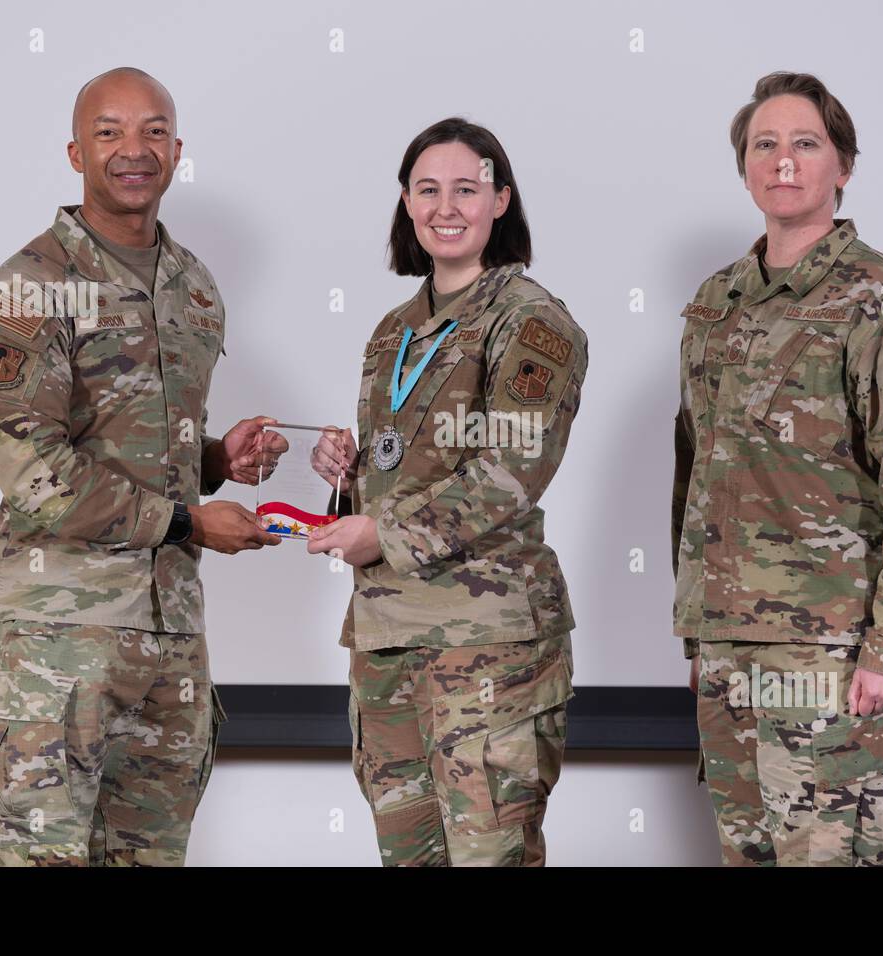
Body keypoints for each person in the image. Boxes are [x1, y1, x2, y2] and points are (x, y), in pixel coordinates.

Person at [0, 67, 285, 866]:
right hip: (53, 644)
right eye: (109, 132)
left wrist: (215, 461)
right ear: (77, 151)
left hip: (168, 639)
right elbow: (35, 472)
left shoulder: (194, 287)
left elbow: (144, 446)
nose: (133, 150)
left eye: (154, 131)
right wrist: (186, 520)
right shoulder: (28, 289)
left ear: (177, 150)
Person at [672, 72, 883, 866]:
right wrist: (698, 630)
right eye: (764, 144)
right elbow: (694, 474)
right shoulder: (714, 305)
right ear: (744, 167)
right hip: (730, 650)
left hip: (836, 655)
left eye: (806, 143)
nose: (783, 160)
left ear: (843, 165)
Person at [307, 117, 587, 866]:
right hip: (388, 637)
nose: (446, 206)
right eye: (427, 189)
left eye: (467, 188)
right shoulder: (393, 331)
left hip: (487, 646)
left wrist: (384, 537)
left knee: (488, 856)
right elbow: (406, 469)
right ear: (406, 202)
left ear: (500, 201)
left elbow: (509, 473)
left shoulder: (533, 322)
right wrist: (346, 474)